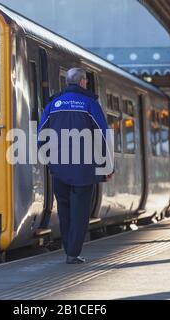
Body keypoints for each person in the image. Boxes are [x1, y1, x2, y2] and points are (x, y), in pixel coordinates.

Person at [37, 68, 113, 264]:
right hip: (83, 168)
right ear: (81, 82)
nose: (87, 85)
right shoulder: (89, 103)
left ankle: (68, 247)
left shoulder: (53, 103)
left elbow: (41, 134)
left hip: (59, 167)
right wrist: (107, 165)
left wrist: (48, 157)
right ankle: (72, 252)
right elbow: (102, 134)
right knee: (80, 212)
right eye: (86, 82)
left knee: (64, 210)